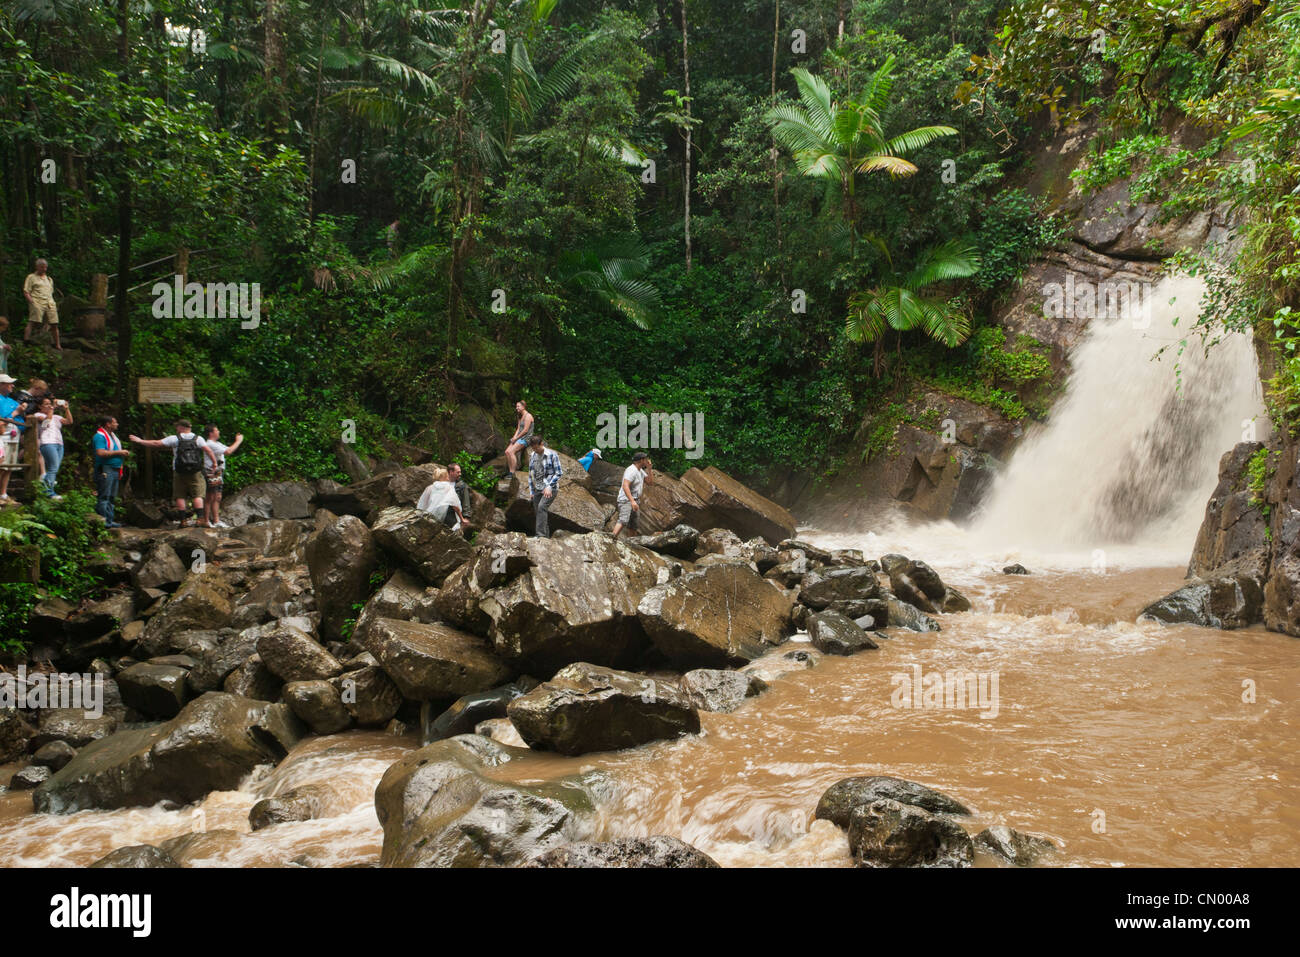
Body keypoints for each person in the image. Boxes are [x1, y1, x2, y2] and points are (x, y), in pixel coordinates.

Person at [128, 419, 218, 526]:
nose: (176, 429)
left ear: (181, 427)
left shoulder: (175, 438)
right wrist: (214, 463)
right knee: (198, 495)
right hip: (195, 471)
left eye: (177, 427)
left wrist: (140, 441)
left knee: (180, 495)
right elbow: (208, 450)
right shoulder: (198, 439)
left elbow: (157, 443)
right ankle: (199, 519)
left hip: (179, 471)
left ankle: (183, 521)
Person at [28, 396, 73, 499]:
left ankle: (47, 489)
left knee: (55, 468)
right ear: (40, 406)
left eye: (50, 403)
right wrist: (52, 409)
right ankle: (48, 492)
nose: (49, 405)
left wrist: (66, 408)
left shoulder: (56, 417)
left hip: (59, 444)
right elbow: (46, 422)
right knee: (53, 467)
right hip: (47, 443)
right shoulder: (38, 415)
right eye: (46, 404)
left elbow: (69, 421)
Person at [201, 424, 243, 528]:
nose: (218, 432)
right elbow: (228, 452)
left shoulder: (217, 443)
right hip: (211, 471)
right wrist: (238, 441)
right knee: (209, 496)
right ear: (211, 433)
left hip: (218, 472)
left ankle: (216, 520)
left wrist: (236, 442)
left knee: (217, 497)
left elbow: (228, 449)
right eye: (217, 430)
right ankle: (206, 521)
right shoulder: (210, 444)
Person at [92, 415, 129, 528]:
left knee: (111, 497)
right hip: (105, 469)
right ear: (108, 424)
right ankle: (103, 522)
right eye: (115, 422)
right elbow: (100, 453)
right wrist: (119, 453)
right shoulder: (100, 436)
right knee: (104, 496)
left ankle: (109, 520)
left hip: (115, 469)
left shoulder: (112, 436)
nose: (117, 424)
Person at [526, 434, 562, 538]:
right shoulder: (533, 455)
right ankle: (546, 537)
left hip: (551, 488)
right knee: (539, 512)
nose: (535, 450)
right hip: (537, 488)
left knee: (542, 507)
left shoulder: (552, 455)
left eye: (536, 447)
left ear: (541, 444)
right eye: (533, 448)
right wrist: (532, 492)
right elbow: (531, 474)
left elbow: (558, 473)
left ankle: (540, 536)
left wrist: (549, 486)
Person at [611, 452, 654, 538]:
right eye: (646, 459)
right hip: (626, 500)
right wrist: (632, 501)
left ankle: (631, 544)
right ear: (641, 460)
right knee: (623, 521)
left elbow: (650, 482)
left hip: (635, 500)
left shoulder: (640, 471)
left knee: (634, 525)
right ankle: (610, 539)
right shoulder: (631, 470)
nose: (647, 461)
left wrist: (649, 469)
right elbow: (625, 485)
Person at [22, 258, 62, 352]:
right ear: (37, 267)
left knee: (54, 324)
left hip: (50, 303)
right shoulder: (31, 277)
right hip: (37, 302)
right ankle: (26, 342)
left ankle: (57, 344)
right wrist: (32, 302)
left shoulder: (49, 279)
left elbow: (50, 292)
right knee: (33, 322)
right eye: (42, 267)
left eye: (45, 267)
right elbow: (26, 291)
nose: (44, 269)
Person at [416, 467, 465, 531]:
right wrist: (462, 519)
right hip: (445, 518)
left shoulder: (430, 488)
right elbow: (455, 505)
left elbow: (422, 504)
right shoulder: (449, 488)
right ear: (446, 477)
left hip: (431, 516)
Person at [0, 374, 24, 504]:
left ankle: (3, 493)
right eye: (9, 383)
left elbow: (20, 420)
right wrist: (15, 413)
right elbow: (3, 418)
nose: (12, 385)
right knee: (1, 465)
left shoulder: (13, 402)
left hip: (14, 435)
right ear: (1, 384)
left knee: (9, 466)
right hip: (2, 436)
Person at [504, 400, 535, 472]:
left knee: (511, 452)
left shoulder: (528, 416)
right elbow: (518, 429)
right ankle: (510, 470)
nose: (516, 408)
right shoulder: (520, 416)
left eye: (518, 406)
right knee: (507, 451)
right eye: (516, 406)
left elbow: (525, 430)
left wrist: (516, 438)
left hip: (526, 438)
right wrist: (514, 438)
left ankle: (512, 472)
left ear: (523, 407)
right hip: (519, 437)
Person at [447, 462, 472, 531]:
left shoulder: (461, 486)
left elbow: (466, 502)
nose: (460, 474)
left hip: (455, 516)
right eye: (458, 472)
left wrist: (466, 517)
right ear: (451, 472)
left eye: (460, 472)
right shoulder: (443, 482)